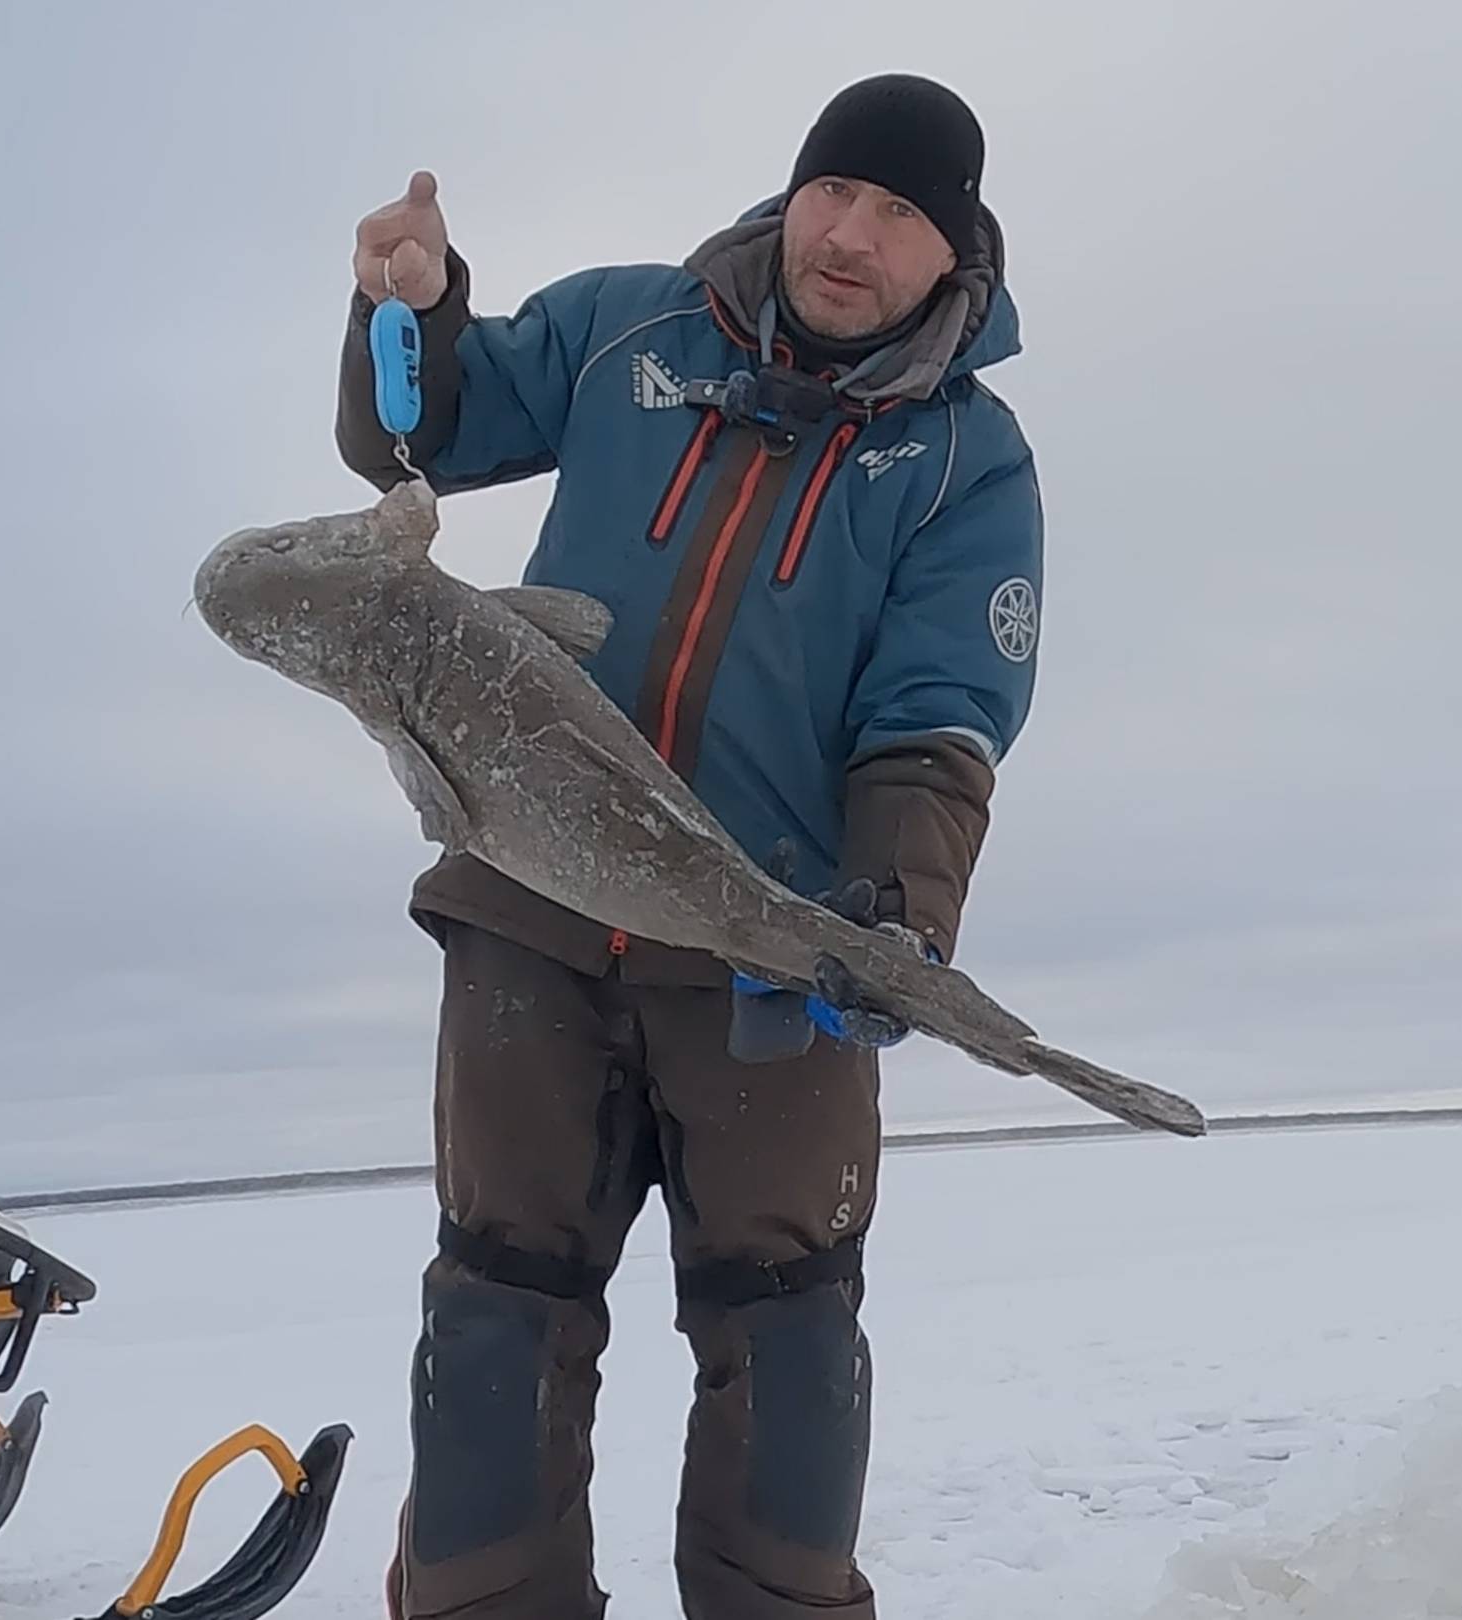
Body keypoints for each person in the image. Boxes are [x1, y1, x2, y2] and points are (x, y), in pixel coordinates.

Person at [333, 73, 1041, 1620]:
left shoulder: (964, 462)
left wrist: (893, 915)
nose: (850, 234)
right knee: (496, 1319)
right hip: (530, 910)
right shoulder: (627, 331)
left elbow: (941, 709)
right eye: (834, 191)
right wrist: (420, 304)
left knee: (788, 1342)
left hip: (774, 954)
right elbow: (420, 437)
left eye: (900, 213)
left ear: (956, 251)